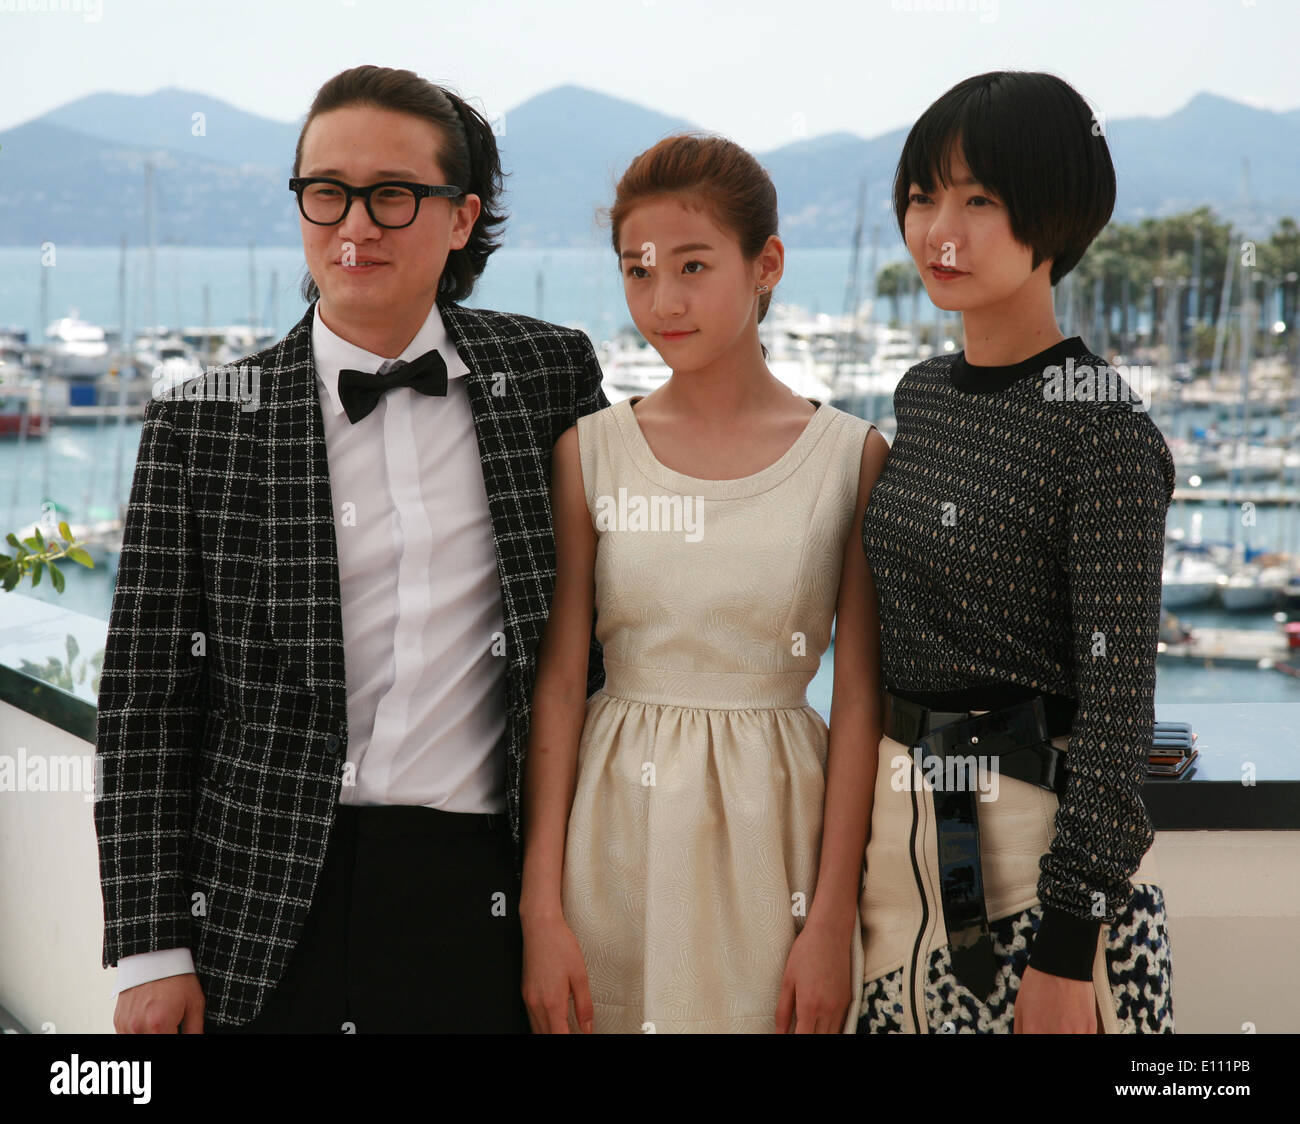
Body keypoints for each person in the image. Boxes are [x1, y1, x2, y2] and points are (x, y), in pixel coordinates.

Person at [94, 65, 609, 1033]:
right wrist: (154, 947)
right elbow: (146, 699)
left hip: (486, 888)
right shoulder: (199, 421)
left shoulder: (547, 372)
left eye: (393, 195)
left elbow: (605, 626)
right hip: (261, 897)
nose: (354, 225)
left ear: (461, 218)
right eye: (325, 191)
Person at [519, 133, 891, 1033]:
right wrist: (539, 911)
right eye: (637, 272)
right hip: (611, 836)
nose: (664, 301)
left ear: (765, 265)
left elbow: (861, 698)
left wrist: (832, 917)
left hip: (779, 833)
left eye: (693, 266)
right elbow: (564, 684)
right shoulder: (590, 451)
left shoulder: (850, 457)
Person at [856, 71, 1175, 1034]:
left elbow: (1120, 708)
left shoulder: (1106, 429)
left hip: (1037, 872)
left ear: (1056, 217)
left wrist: (1068, 948)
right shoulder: (922, 395)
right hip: (897, 849)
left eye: (979, 200)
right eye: (922, 197)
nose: (938, 231)